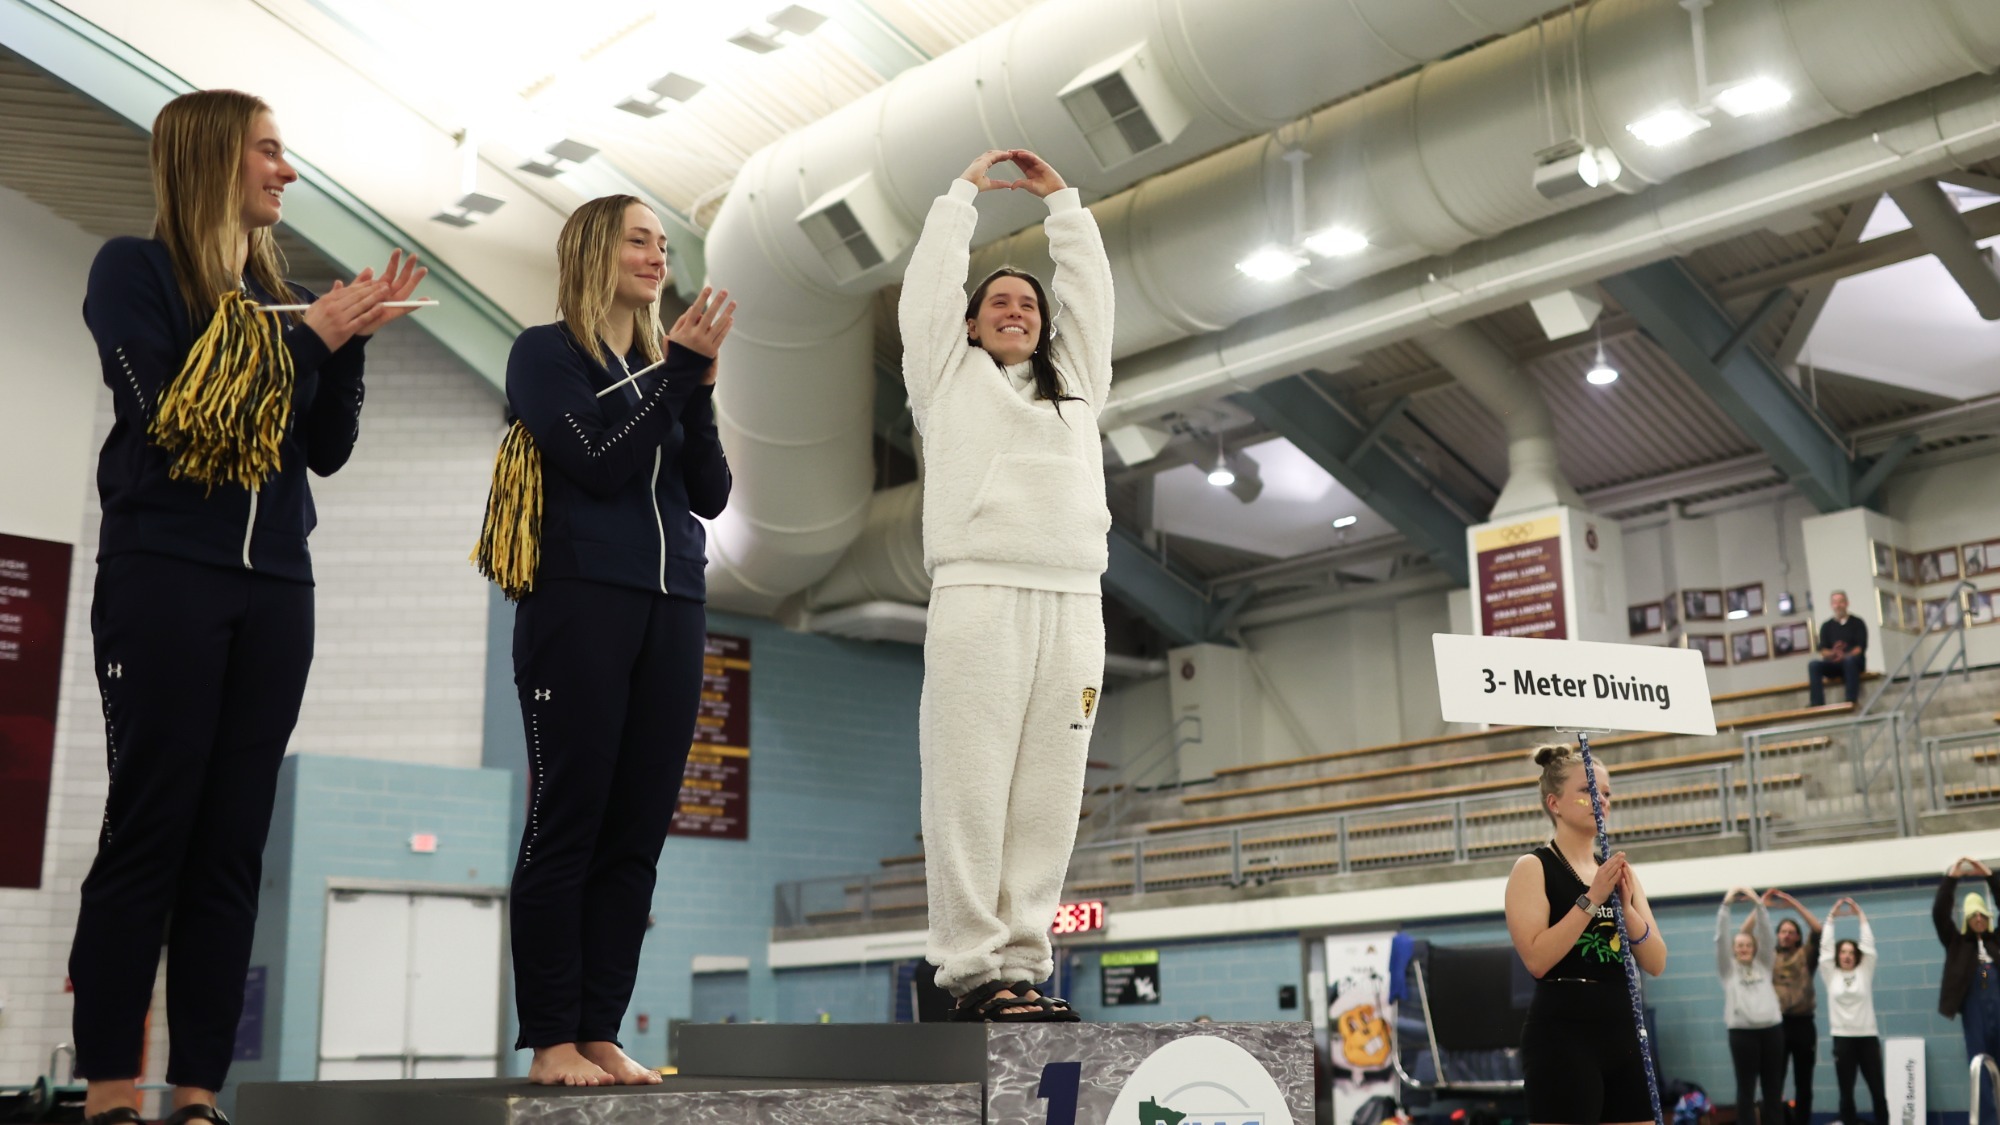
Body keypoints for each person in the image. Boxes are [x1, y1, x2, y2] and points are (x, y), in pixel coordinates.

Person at [69, 89, 422, 1125]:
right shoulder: (133, 273)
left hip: (277, 587)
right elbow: (168, 414)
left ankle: (196, 1093)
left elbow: (324, 452)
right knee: (152, 830)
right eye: (270, 149)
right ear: (216, 158)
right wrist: (310, 339)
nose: (287, 170)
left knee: (232, 845)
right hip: (165, 574)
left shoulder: (286, 296)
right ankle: (107, 1092)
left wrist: (347, 348)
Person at [475, 195, 734, 1084]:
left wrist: (691, 387)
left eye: (665, 244)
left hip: (674, 603)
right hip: (580, 600)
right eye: (639, 239)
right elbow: (590, 457)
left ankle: (598, 1028)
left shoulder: (667, 365)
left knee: (636, 834)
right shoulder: (544, 353)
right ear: (593, 248)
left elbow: (710, 492)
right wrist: (673, 377)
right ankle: (550, 1036)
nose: (658, 255)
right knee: (569, 820)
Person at [901, 148, 1113, 1022]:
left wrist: (1063, 202)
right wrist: (960, 200)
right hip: (980, 596)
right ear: (975, 325)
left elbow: (1091, 295)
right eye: (999, 302)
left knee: (1048, 799)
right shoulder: (946, 383)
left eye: (1029, 303)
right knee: (970, 787)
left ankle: (1025, 962)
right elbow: (924, 295)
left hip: (1074, 604)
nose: (1018, 311)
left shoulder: (1079, 390)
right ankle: (969, 967)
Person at [1505, 744, 1666, 1125]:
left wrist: (1625, 909)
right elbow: (1537, 960)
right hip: (1563, 1033)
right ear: (1555, 803)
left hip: (1623, 1028)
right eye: (1587, 791)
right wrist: (1593, 897)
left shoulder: (1619, 872)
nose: (1600, 800)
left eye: (1606, 793)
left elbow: (1656, 961)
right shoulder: (1533, 867)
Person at [1935, 858, 2000, 1125]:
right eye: (1973, 915)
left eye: (1982, 914)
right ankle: (1988, 1121)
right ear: (1966, 920)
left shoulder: (1996, 942)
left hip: (1998, 1006)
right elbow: (1939, 913)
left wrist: (1989, 875)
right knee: (1980, 1068)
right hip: (1975, 1010)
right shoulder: (1957, 943)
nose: (1978, 919)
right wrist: (1951, 878)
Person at [1719, 888, 1786, 1125]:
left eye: (1747, 944)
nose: (1743, 948)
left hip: (1771, 1031)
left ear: (1754, 948)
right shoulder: (1728, 970)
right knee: (1746, 1089)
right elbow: (1721, 939)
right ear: (1734, 950)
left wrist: (1759, 904)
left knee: (1772, 1088)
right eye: (1739, 945)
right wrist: (1726, 906)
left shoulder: (1764, 964)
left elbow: (1767, 936)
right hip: (1742, 1033)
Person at [1758, 889, 1823, 1125]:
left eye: (1791, 932)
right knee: (1774, 1082)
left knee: (1804, 1083)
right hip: (1777, 1026)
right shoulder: (1768, 958)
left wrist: (1794, 904)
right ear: (1778, 935)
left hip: (1803, 1024)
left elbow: (1817, 930)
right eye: (1783, 931)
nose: (1786, 935)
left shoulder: (1806, 956)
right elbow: (1747, 935)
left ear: (1797, 937)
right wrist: (1760, 905)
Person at [1821, 897, 1888, 1125]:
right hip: (1843, 1039)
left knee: (1878, 1091)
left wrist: (1860, 916)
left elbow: (1868, 945)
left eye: (1851, 952)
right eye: (1843, 952)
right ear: (1838, 955)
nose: (1847, 956)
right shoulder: (1830, 974)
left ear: (1856, 955)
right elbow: (1825, 949)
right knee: (1846, 1093)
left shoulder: (1864, 971)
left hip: (1867, 1037)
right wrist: (1831, 918)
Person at [1808, 590, 1867, 706]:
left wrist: (1844, 656)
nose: (1838, 605)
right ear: (1831, 605)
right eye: (1835, 602)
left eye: (1841, 602)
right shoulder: (1826, 626)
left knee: (1849, 661)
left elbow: (1860, 648)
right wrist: (1833, 653)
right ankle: (1816, 702)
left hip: (1853, 664)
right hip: (1834, 664)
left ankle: (1851, 700)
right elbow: (1823, 650)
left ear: (1846, 603)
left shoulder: (1857, 623)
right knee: (1813, 665)